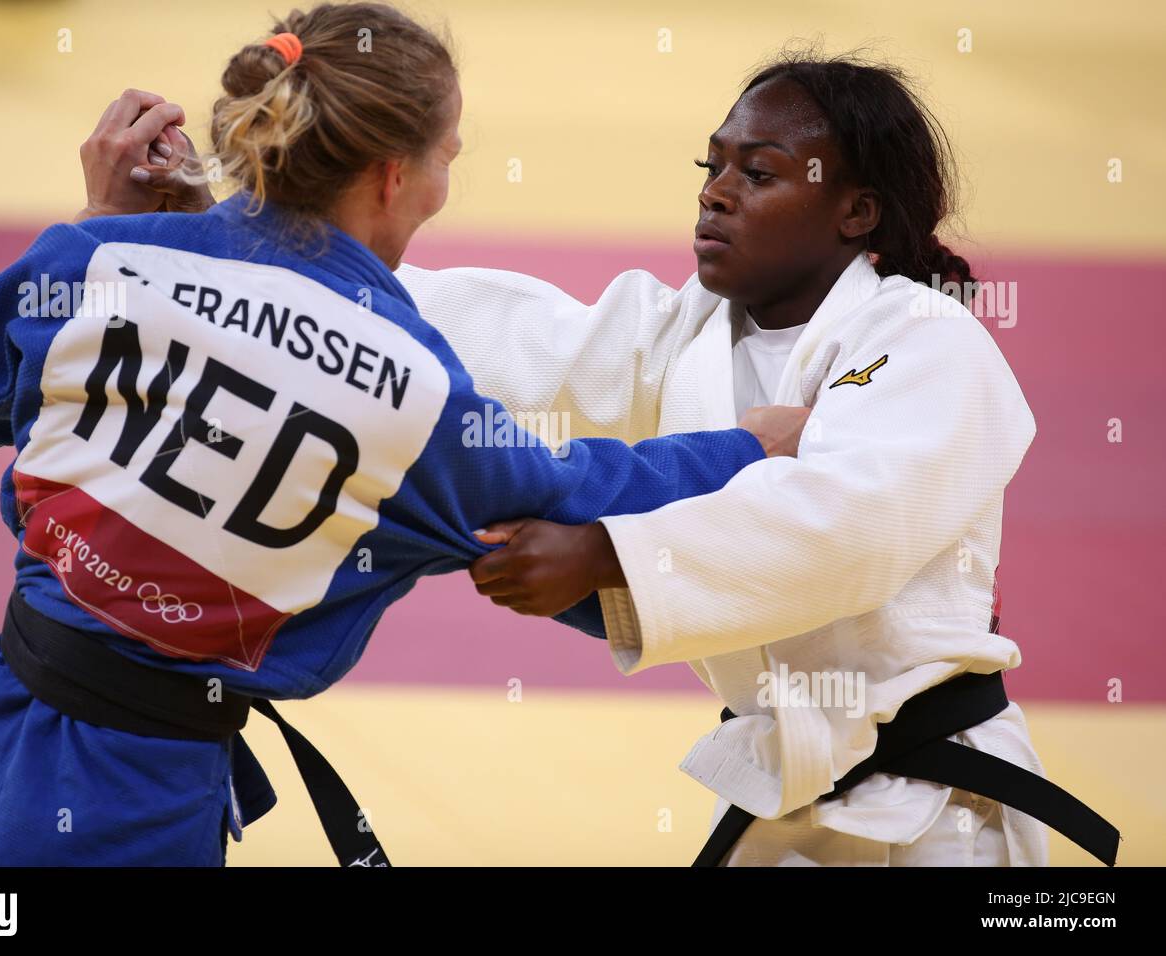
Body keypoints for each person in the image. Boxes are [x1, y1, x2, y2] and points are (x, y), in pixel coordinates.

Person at [106, 49, 1120, 867]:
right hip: (791, 799)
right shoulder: (690, 329)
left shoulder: (926, 339)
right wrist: (235, 247)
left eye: (755, 174)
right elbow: (492, 332)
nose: (716, 194)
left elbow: (838, 523)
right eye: (710, 167)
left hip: (938, 810)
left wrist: (607, 556)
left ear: (855, 213)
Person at [0, 4, 804, 867]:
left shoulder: (102, 261)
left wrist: (100, 223)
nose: (446, 185)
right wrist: (748, 446)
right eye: (448, 157)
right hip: (136, 810)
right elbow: (587, 497)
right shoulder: (407, 388)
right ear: (392, 176)